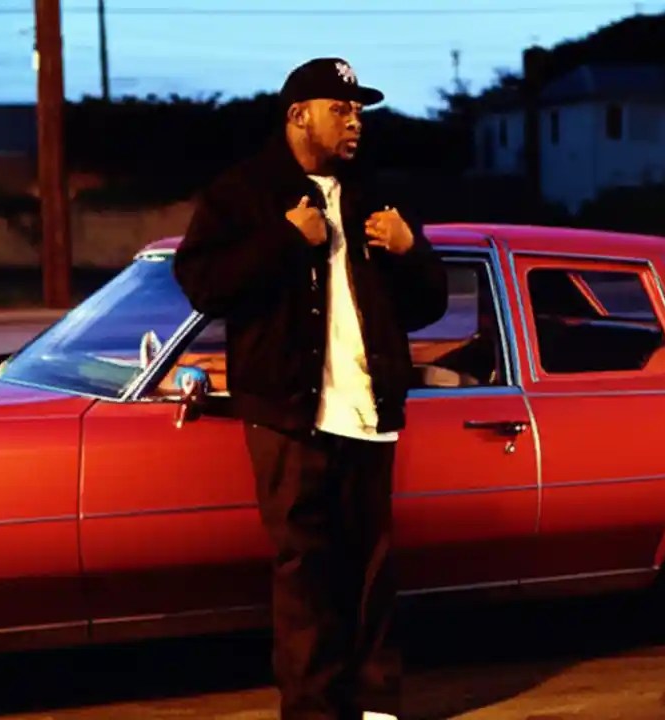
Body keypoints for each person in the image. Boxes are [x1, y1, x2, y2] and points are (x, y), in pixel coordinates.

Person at [172, 58, 448, 720]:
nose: (355, 122)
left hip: (370, 410)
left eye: (360, 111)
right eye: (341, 109)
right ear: (299, 115)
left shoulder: (375, 194)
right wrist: (284, 240)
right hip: (290, 416)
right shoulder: (243, 193)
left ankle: (377, 703)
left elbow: (429, 303)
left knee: (374, 570)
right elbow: (203, 285)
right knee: (305, 574)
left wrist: (412, 250)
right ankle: (313, 710)